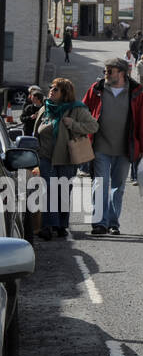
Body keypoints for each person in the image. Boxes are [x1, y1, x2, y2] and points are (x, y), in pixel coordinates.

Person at [82, 58, 143, 235]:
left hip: (125, 149)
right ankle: (99, 223)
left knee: (118, 187)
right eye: (106, 70)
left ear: (122, 73)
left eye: (110, 70)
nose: (106, 73)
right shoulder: (96, 89)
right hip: (100, 146)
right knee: (100, 184)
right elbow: (83, 110)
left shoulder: (135, 93)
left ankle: (113, 223)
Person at [34, 78, 98, 240]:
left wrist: (74, 124)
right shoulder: (46, 109)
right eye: (51, 88)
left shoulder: (76, 109)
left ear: (64, 93)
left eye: (55, 89)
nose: (51, 91)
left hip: (67, 158)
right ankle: (47, 226)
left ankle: (61, 225)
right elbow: (35, 133)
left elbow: (93, 126)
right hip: (46, 156)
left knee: (62, 191)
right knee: (48, 190)